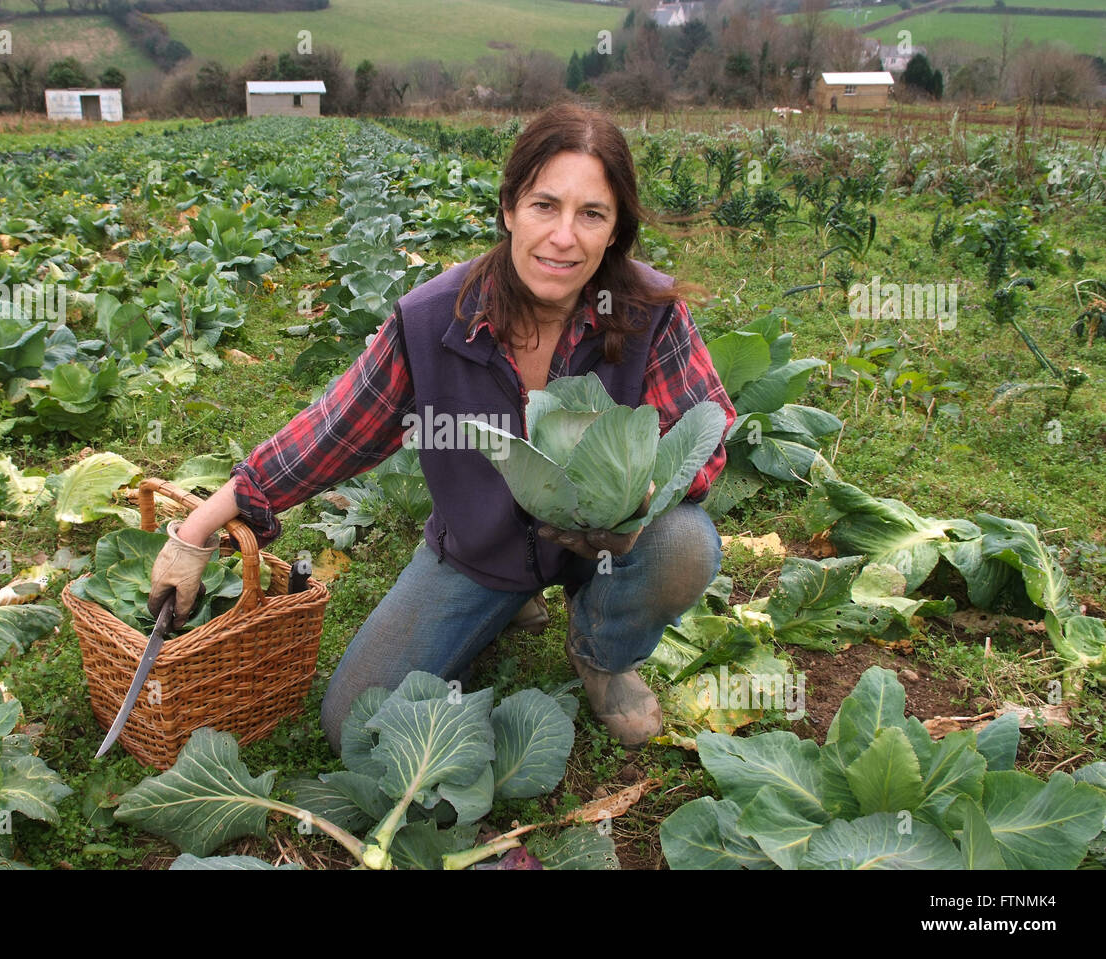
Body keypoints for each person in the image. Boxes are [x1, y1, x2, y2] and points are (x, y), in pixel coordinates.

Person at [148, 103, 736, 752]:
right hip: (480, 553)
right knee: (357, 725)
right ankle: (508, 602)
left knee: (685, 542)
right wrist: (201, 526)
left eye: (591, 213)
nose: (564, 236)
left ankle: (602, 651)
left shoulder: (648, 312)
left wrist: (644, 500)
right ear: (510, 207)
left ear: (615, 228)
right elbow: (334, 430)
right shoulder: (435, 321)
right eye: (545, 205)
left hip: (611, 543)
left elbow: (704, 435)